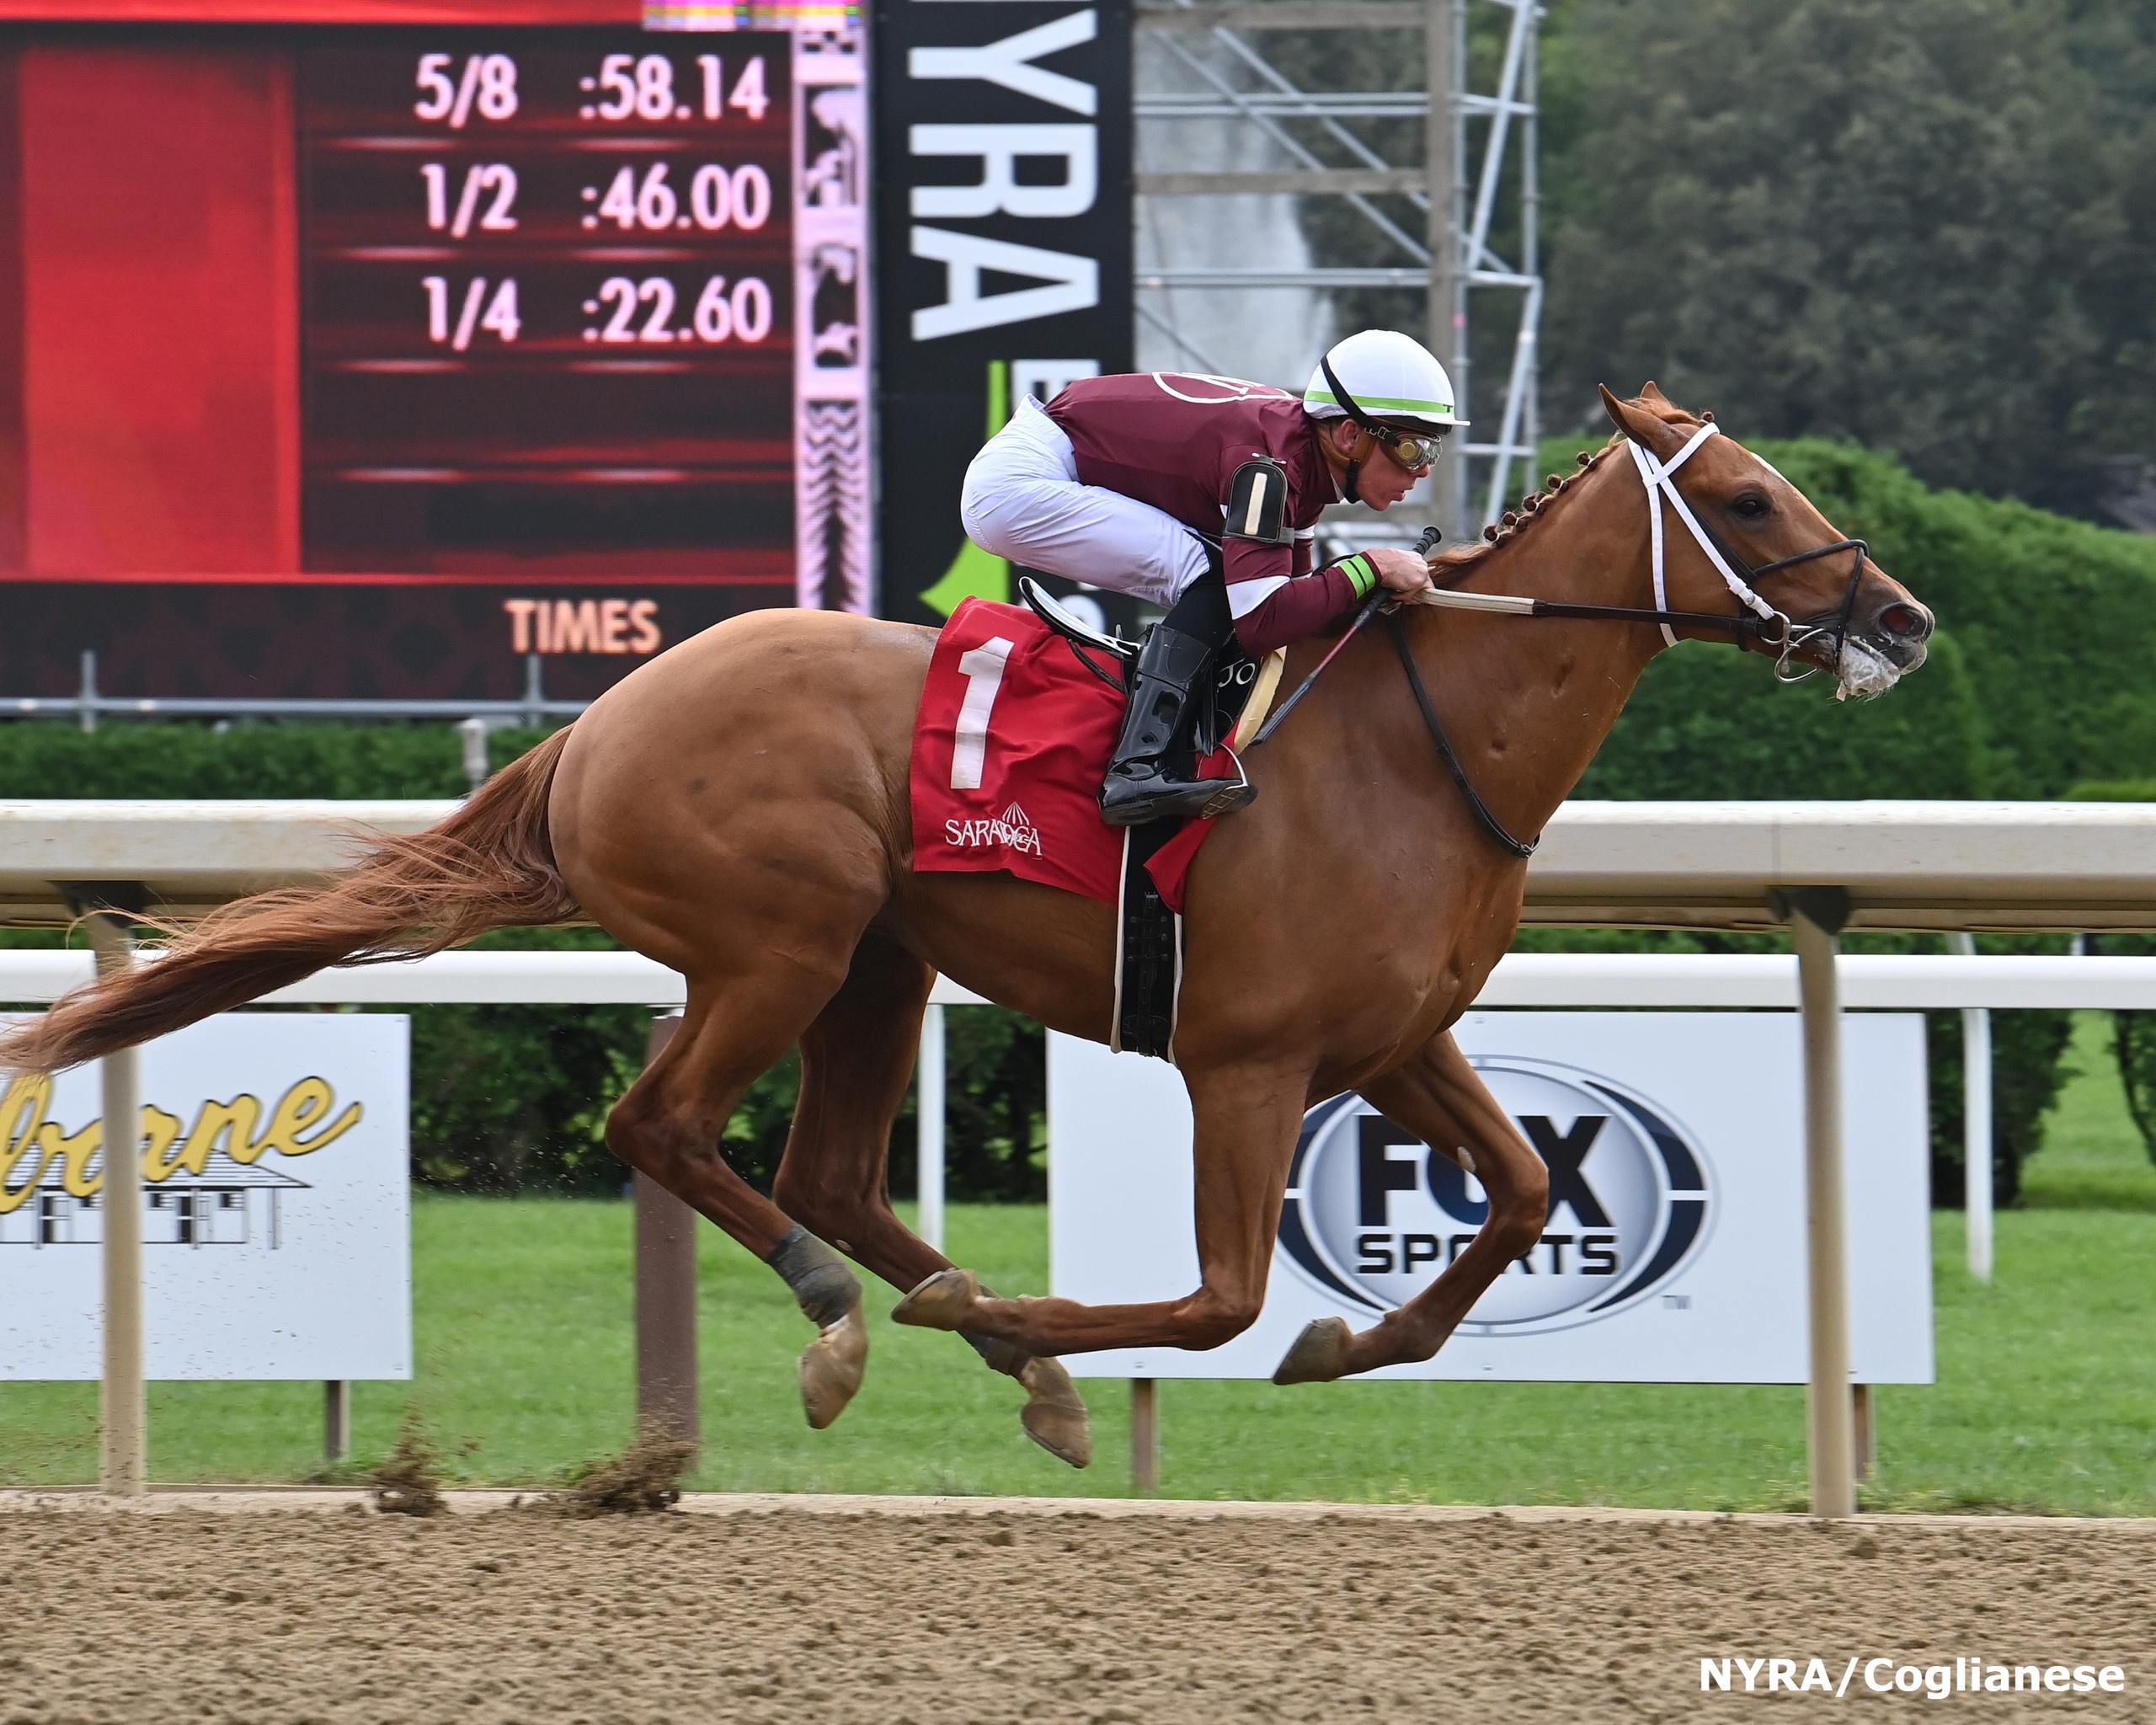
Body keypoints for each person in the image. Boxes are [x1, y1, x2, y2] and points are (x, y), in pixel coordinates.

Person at [959, 329, 1461, 826]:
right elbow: (1262, 619)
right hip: (1022, 484)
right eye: (1414, 450)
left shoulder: (1302, 457)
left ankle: (1165, 749)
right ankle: (1136, 770)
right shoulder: (1269, 469)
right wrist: (1371, 566)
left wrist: (1359, 584)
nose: (1422, 471)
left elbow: (1295, 600)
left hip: (1048, 457)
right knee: (1221, 577)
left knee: (1237, 579)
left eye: (1433, 453)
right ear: (1350, 435)